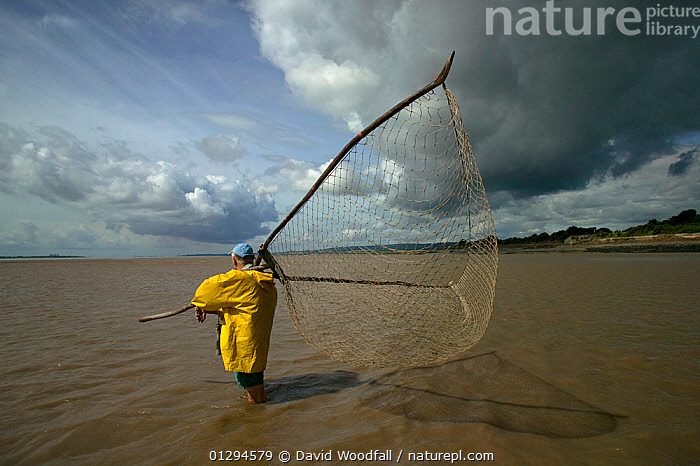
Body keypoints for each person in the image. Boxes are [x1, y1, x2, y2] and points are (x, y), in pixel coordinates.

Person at [192, 243, 277, 403]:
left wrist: (201, 304)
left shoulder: (240, 280)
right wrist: (208, 308)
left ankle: (256, 421)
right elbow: (242, 308)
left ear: (234, 261)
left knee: (255, 393)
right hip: (256, 345)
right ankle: (262, 415)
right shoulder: (264, 282)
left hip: (243, 346)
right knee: (255, 385)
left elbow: (203, 292)